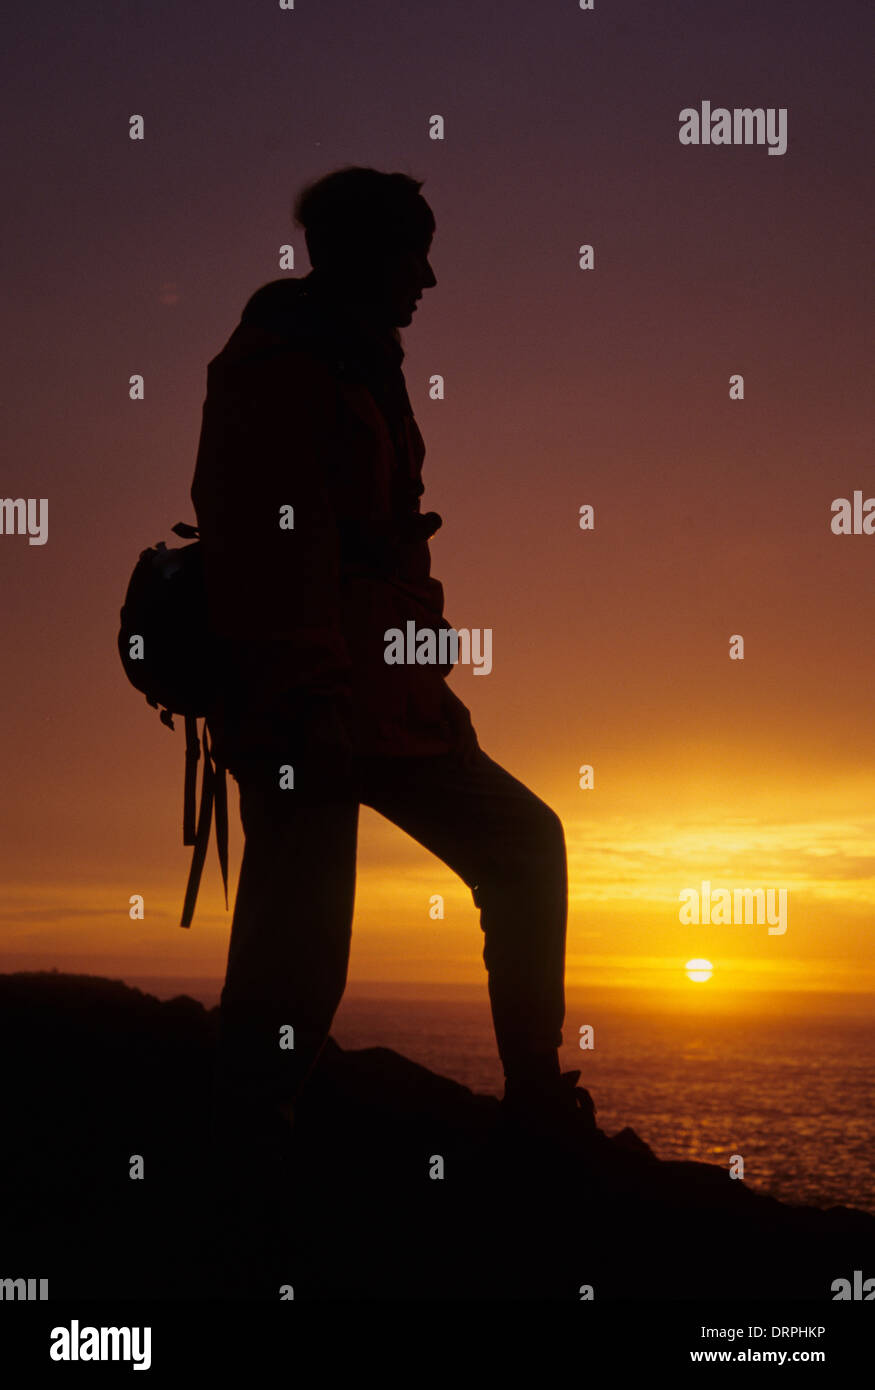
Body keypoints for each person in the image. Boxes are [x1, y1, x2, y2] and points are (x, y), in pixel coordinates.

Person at [191, 165, 598, 1156]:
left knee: (524, 846)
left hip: (392, 700)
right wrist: (310, 694)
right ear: (364, 256)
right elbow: (267, 541)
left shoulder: (358, 360)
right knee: (299, 958)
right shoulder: (277, 362)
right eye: (413, 252)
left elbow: (378, 555)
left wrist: (423, 682)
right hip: (306, 707)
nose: (428, 277)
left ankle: (534, 1098)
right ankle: (240, 1162)